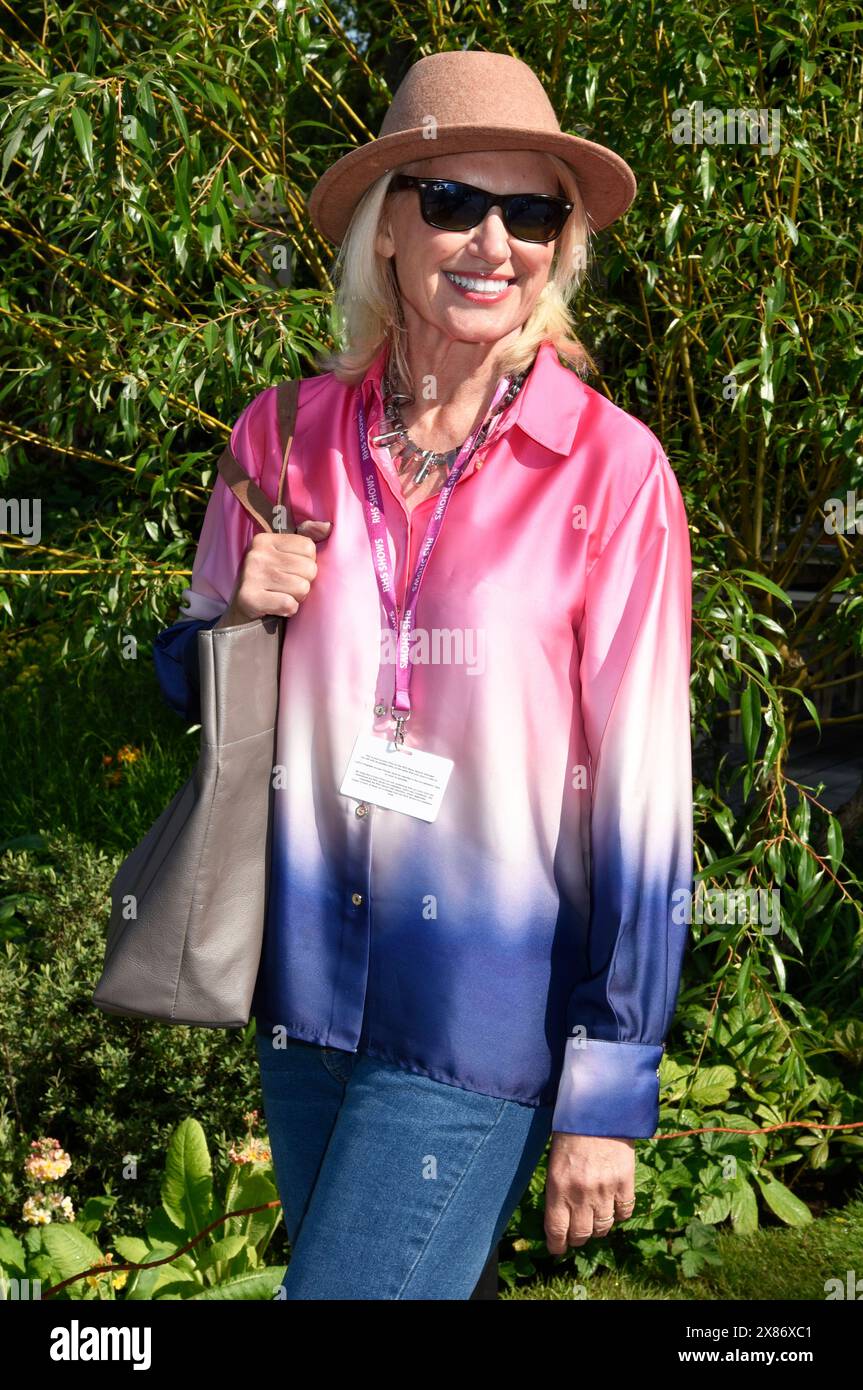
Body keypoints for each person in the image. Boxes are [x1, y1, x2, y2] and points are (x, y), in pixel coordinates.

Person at [154, 49, 694, 1300]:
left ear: (559, 249)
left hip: (477, 1016)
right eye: (453, 201)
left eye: (532, 212)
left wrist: (607, 1084)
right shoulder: (278, 437)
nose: (491, 240)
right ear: (386, 229)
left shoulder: (611, 474)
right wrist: (237, 616)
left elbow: (643, 801)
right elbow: (188, 687)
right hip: (301, 996)